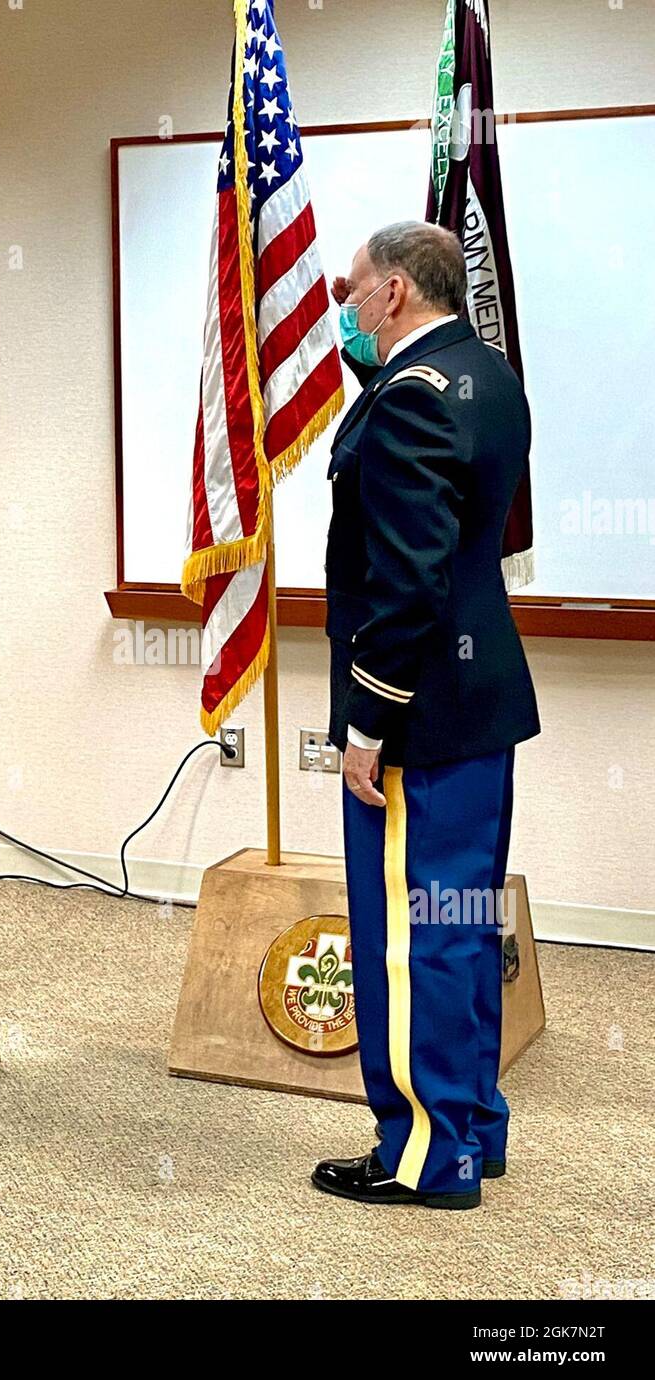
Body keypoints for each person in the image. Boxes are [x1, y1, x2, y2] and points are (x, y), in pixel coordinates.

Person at [312, 221, 539, 1209]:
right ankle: (473, 1126)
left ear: (395, 292)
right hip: (481, 698)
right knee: (461, 920)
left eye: (355, 291)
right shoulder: (489, 375)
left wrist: (368, 722)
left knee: (414, 933)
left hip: (417, 715)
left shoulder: (405, 403)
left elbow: (403, 583)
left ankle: (425, 1155)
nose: (347, 309)